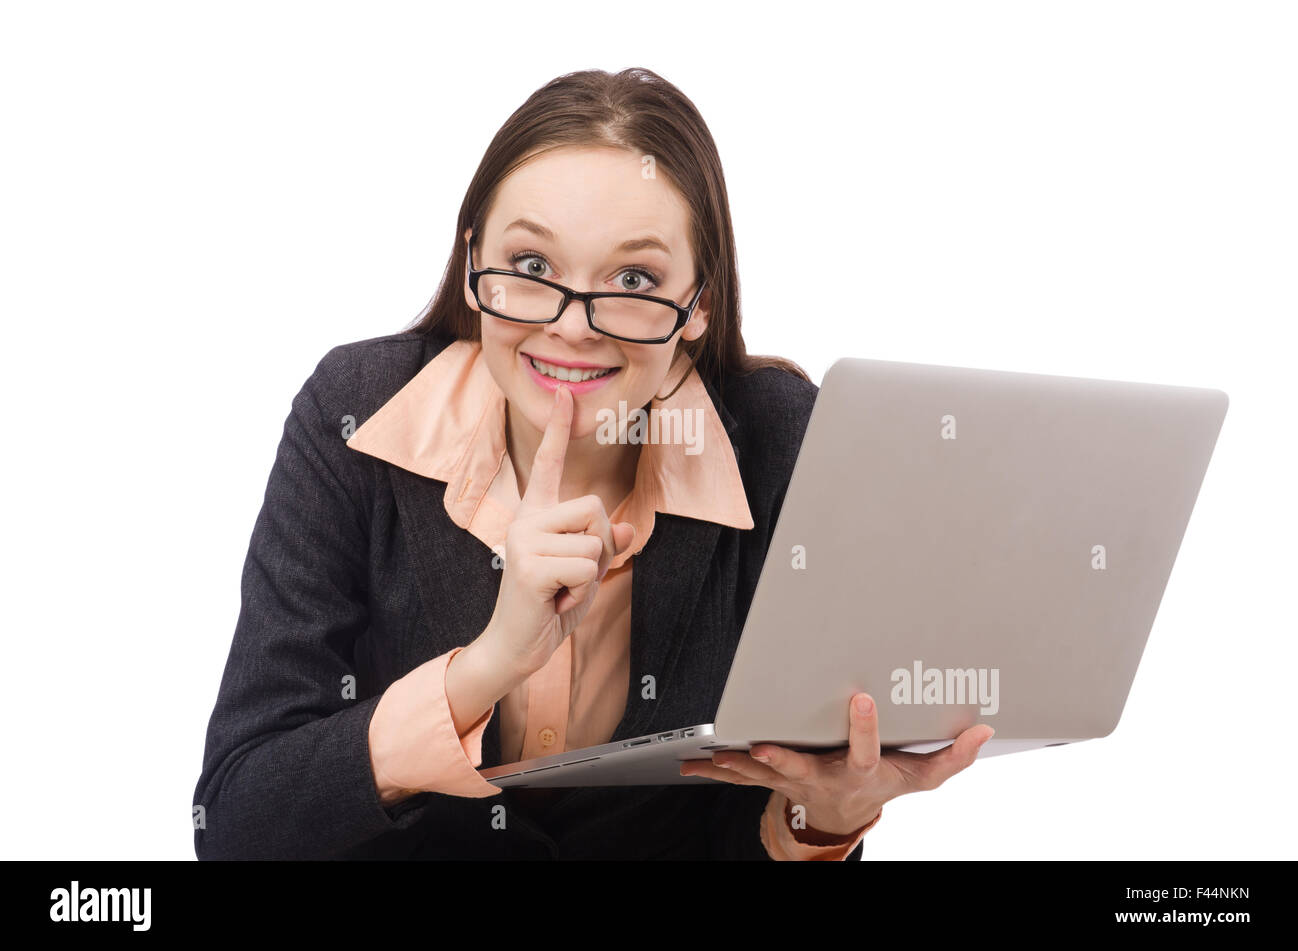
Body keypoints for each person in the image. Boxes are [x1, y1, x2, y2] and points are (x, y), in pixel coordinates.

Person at [193, 67, 993, 861]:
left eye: (634, 278)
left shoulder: (783, 442)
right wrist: (486, 667)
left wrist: (818, 823)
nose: (572, 327)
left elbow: (747, 817)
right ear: (473, 264)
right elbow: (236, 820)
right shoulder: (357, 412)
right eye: (533, 267)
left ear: (700, 303)